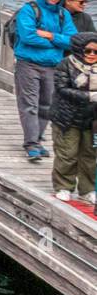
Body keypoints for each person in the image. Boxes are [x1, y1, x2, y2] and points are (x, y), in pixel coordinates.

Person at [12, 0, 77, 161]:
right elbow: (28, 37)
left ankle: (38, 140)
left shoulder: (64, 15)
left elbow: (73, 41)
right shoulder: (29, 10)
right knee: (29, 105)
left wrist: (49, 36)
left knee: (47, 106)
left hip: (53, 67)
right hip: (28, 64)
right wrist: (57, 41)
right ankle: (31, 144)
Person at [51, 32, 97, 203]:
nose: (92, 55)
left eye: (96, 52)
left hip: (92, 120)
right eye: (88, 51)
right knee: (67, 154)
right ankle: (63, 186)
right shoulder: (66, 64)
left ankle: (88, 189)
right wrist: (89, 97)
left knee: (90, 155)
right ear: (79, 50)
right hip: (67, 118)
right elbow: (62, 88)